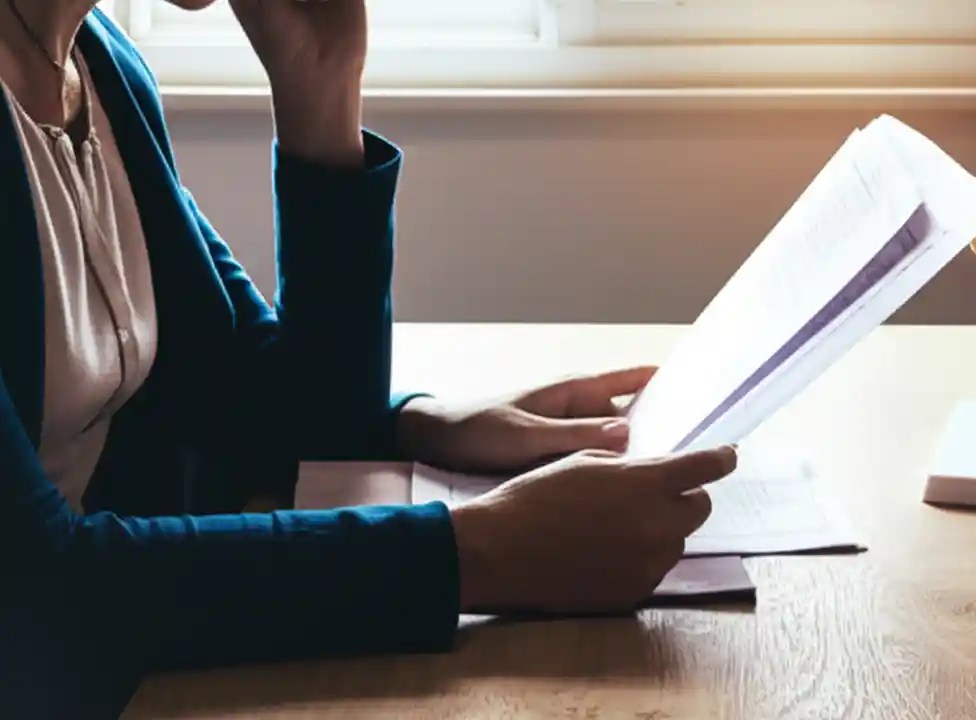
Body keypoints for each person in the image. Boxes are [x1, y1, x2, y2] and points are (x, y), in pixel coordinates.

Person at [0, 0, 737, 715]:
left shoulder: (99, 67)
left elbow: (274, 417)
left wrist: (319, 83)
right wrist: (479, 553)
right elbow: (32, 597)